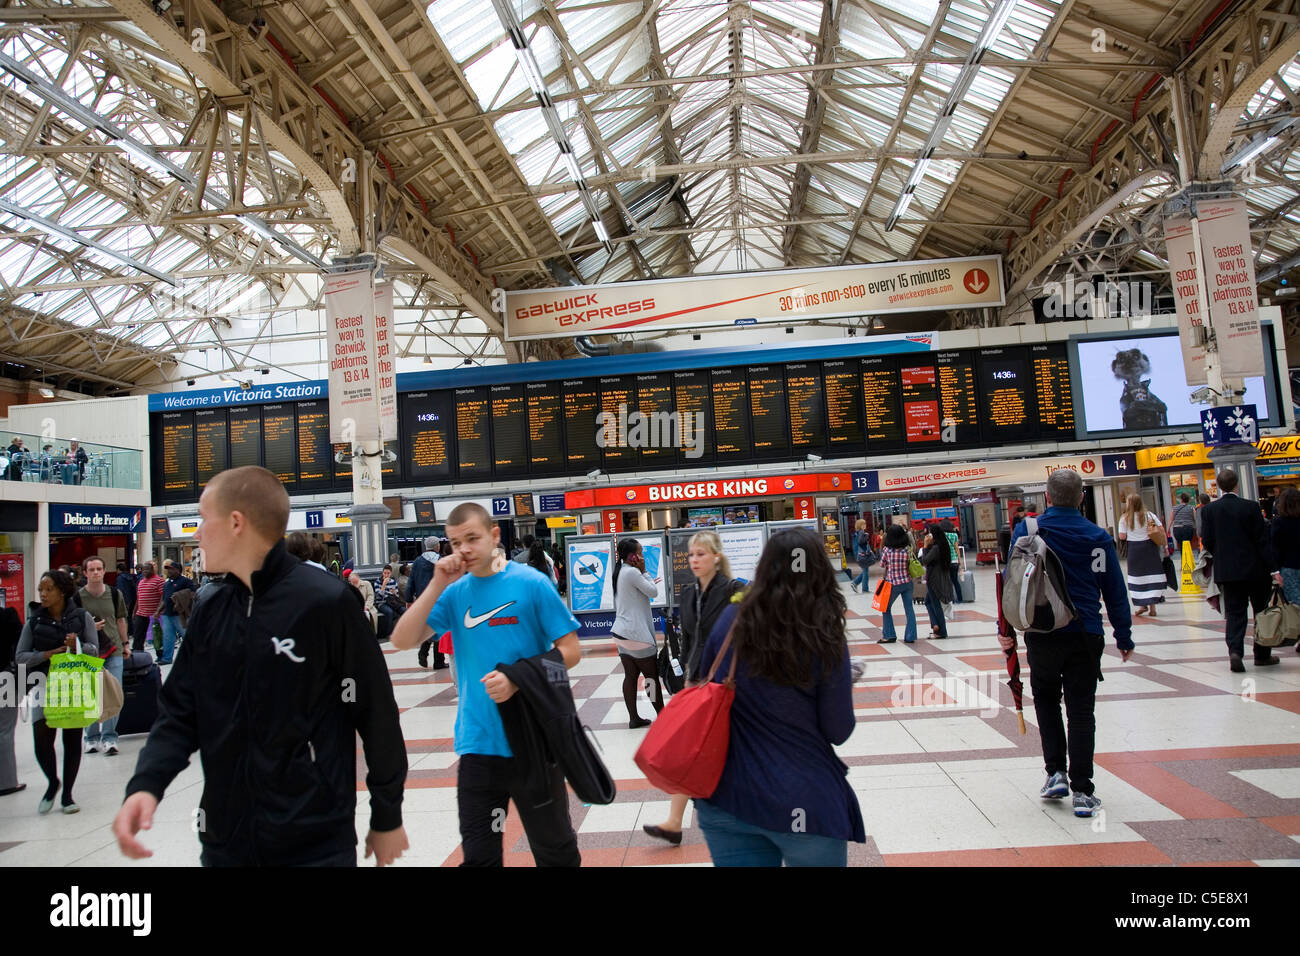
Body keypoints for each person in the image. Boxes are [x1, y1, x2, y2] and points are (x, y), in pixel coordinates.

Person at [113, 465, 409, 866]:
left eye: (204, 519)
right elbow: (180, 711)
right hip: (225, 841)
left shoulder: (326, 602)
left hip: (314, 840)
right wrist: (146, 785)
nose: (197, 533)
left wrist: (387, 815)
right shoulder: (211, 608)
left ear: (236, 522)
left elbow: (376, 715)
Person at [390, 502, 583, 867]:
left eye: (472, 538)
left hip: (534, 742)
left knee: (555, 852)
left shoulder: (531, 584)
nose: (463, 549)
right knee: (479, 857)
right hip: (478, 745)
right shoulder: (454, 594)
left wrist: (517, 677)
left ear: (495, 535)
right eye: (455, 542)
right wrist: (436, 584)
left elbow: (571, 651)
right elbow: (401, 639)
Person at [692, 526, 864, 865]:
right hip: (804, 798)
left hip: (728, 798)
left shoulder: (731, 620)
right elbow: (838, 730)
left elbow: (705, 689)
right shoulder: (824, 631)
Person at [1009, 469, 1132, 818]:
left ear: (1047, 497)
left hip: (1042, 633)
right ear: (1081, 498)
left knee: (1046, 701)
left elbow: (1012, 582)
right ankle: (1083, 789)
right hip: (1085, 634)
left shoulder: (1029, 531)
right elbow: (1114, 590)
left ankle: (1055, 774)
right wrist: (1123, 634)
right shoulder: (1097, 537)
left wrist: (1006, 627)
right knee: (1081, 710)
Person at [645, 529, 743, 845]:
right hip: (698, 681)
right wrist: (686, 673)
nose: (695, 560)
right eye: (691, 555)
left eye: (701, 553)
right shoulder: (688, 595)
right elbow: (688, 639)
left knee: (722, 750)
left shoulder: (733, 590)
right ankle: (674, 822)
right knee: (692, 749)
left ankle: (742, 813)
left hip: (727, 682)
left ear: (716, 556)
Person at [15, 569, 98, 813]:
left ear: (62, 591)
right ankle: (53, 782)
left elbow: (95, 649)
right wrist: (46, 655)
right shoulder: (34, 621)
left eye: (48, 589)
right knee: (42, 737)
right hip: (43, 684)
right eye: (41, 589)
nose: (43, 594)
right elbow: (20, 656)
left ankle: (68, 796)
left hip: (73, 684)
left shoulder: (82, 617)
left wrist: (79, 646)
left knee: (72, 739)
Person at [1201, 468, 1282, 673]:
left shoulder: (1210, 510)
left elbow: (1207, 540)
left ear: (1218, 487)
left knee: (1235, 613)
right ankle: (1262, 654)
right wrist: (1273, 570)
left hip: (1228, 571)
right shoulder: (1251, 507)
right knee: (1261, 612)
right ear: (1237, 484)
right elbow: (1262, 541)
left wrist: (1220, 555)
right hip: (1255, 571)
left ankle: (1235, 652)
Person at [610, 538, 663, 729]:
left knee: (630, 676)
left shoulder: (621, 572)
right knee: (651, 677)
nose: (642, 555)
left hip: (621, 633)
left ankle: (634, 718)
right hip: (636, 634)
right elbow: (653, 592)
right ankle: (663, 717)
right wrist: (645, 571)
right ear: (632, 556)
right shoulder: (633, 572)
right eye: (640, 552)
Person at [79, 556, 128, 756]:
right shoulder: (78, 597)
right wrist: (89, 626)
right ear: (85, 573)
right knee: (90, 693)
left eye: (99, 569)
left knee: (113, 692)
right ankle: (90, 737)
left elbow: (120, 619)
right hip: (89, 651)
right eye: (92, 570)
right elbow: (72, 624)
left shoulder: (114, 594)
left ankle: (110, 737)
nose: (96, 573)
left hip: (113, 648)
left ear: (104, 570)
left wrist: (125, 644)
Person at [1117, 494, 1166, 618]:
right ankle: (1153, 608)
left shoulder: (1125, 518)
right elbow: (1160, 529)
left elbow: (1122, 536)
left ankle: (1142, 605)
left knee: (1137, 577)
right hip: (1150, 548)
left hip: (1134, 549)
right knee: (1151, 575)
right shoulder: (1150, 515)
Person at [408, 535, 447, 670]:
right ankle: (438, 661)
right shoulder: (441, 561)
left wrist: (408, 599)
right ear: (437, 546)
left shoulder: (417, 562)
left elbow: (411, 581)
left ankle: (423, 652)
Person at [876, 524, 918, 644]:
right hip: (907, 582)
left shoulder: (887, 550)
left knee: (886, 608)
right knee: (909, 609)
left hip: (893, 583)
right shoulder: (907, 549)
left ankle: (889, 635)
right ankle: (910, 636)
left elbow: (882, 564)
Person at [0, 605, 26, 797]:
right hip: (5, 678)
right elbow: (20, 651)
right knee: (5, 730)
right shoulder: (7, 616)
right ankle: (7, 782)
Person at [158, 560, 196, 665]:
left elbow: (193, 594)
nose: (168, 571)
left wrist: (180, 596)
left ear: (178, 570)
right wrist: (158, 610)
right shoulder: (167, 583)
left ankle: (193, 657)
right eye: (167, 569)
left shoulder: (185, 581)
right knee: (168, 637)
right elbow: (164, 599)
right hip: (167, 614)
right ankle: (167, 658)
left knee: (186, 636)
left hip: (180, 615)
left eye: (171, 569)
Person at [919, 523, 953, 640]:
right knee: (928, 601)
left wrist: (924, 546)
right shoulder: (943, 546)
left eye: (930, 533)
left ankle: (941, 631)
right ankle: (935, 625)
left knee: (935, 604)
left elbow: (925, 560)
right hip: (941, 578)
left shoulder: (935, 548)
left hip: (934, 580)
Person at [1270, 488, 1300, 610]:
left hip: (1288, 567)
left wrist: (1275, 570)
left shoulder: (1279, 522)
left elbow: (1275, 547)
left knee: (1295, 603)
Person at [130, 561, 163, 653]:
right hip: (141, 613)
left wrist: (158, 611)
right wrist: (134, 611)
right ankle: (137, 654)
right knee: (138, 635)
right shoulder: (141, 582)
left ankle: (160, 655)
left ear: (152, 570)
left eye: (147, 569)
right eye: (143, 569)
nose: (145, 571)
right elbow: (139, 597)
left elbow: (163, 596)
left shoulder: (159, 580)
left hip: (154, 614)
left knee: (157, 636)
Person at [940, 518, 963, 602]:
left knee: (948, 581)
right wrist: (959, 560)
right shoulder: (954, 535)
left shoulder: (941, 535)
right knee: (955, 580)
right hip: (954, 561)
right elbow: (957, 549)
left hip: (946, 561)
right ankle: (960, 599)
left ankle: (951, 599)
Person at [849, 519, 873, 593]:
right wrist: (866, 536)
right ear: (860, 525)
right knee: (866, 571)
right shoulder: (861, 533)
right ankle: (864, 589)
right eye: (863, 524)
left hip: (858, 554)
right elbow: (861, 542)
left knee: (865, 570)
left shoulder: (856, 533)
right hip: (863, 555)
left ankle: (855, 583)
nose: (865, 525)